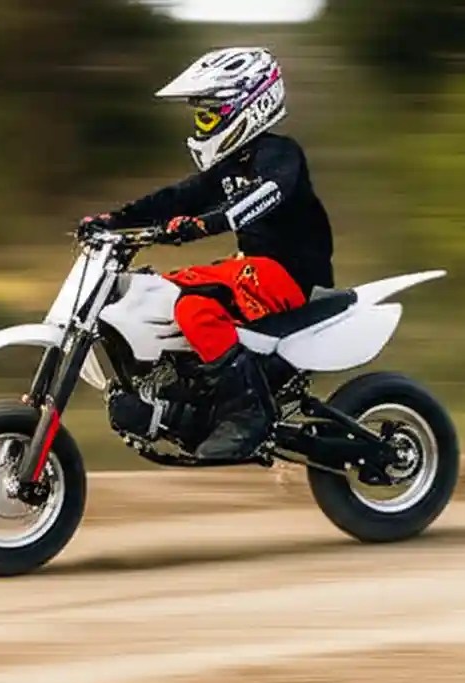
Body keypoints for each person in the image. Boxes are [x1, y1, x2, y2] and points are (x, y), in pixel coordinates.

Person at [79, 47, 335, 461]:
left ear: (250, 104)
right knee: (156, 292)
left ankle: (248, 414)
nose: (204, 125)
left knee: (195, 310)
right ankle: (187, 396)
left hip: (288, 275)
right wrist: (115, 219)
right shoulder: (230, 165)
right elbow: (180, 197)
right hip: (251, 271)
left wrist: (204, 224)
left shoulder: (280, 154)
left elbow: (264, 196)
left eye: (210, 115)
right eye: (201, 116)